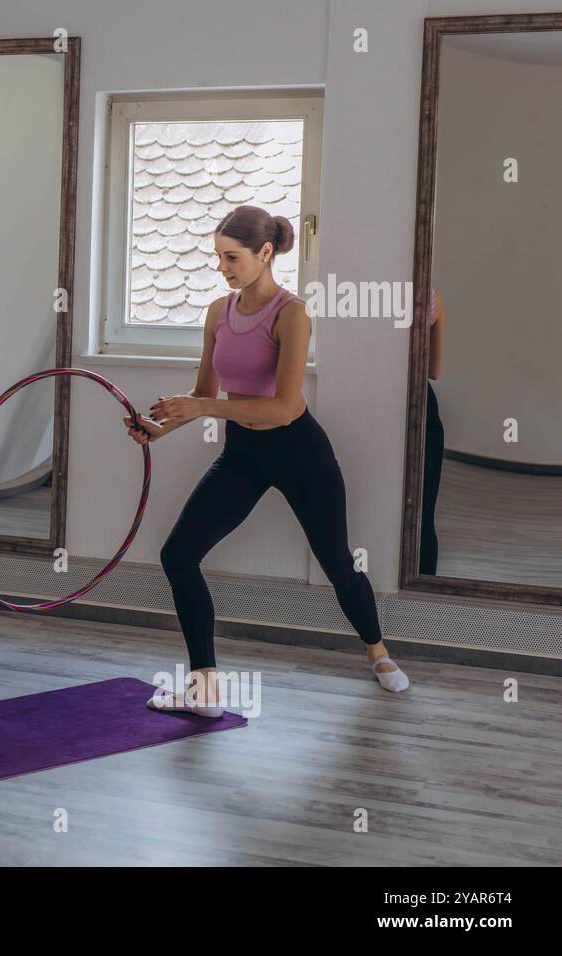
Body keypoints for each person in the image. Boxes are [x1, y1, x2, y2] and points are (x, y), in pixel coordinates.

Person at [124, 205, 409, 717]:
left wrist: (203, 407)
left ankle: (378, 652)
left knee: (338, 563)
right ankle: (204, 688)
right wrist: (158, 431)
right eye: (218, 257)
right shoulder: (218, 312)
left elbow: (281, 407)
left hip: (300, 452)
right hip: (244, 454)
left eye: (231, 257)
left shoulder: (292, 313)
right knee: (178, 555)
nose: (223, 268)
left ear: (264, 253)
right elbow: (204, 392)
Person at [419, 290, 445, 574]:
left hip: (377, 407)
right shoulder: (432, 297)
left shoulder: (367, 298)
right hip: (423, 409)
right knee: (423, 517)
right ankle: (423, 600)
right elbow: (433, 370)